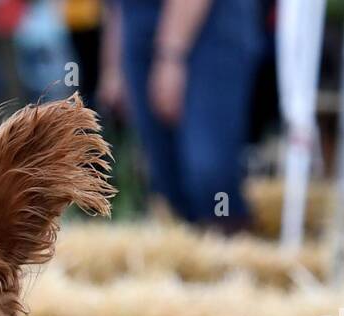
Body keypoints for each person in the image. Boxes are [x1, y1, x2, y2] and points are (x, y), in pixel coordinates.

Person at [108, 0, 267, 228]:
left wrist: (171, 57)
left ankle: (230, 246)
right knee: (166, 174)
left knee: (209, 173)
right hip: (136, 17)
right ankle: (197, 244)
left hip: (212, 20)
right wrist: (113, 68)